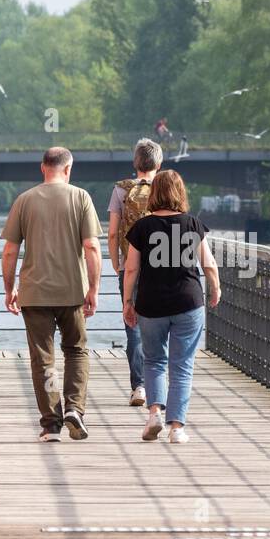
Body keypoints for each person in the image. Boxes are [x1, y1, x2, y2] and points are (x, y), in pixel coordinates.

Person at [1, 147, 102, 442]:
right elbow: (93, 248)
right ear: (68, 169)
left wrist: (9, 289)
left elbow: (9, 251)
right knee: (77, 350)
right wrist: (93, 288)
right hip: (72, 291)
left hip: (34, 293)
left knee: (43, 358)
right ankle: (74, 409)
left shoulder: (24, 200)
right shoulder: (81, 197)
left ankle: (51, 425)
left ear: (42, 168)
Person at [121, 170, 221, 444]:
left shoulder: (142, 227)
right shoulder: (193, 224)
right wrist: (216, 288)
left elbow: (131, 269)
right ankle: (176, 428)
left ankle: (154, 413)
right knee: (182, 365)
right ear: (180, 193)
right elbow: (208, 263)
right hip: (188, 302)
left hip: (151, 304)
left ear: (154, 194)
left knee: (153, 361)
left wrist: (127, 302)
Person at [107, 138, 162, 407]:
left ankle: (138, 387)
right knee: (162, 325)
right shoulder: (166, 187)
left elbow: (114, 231)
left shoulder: (120, 189)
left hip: (130, 265)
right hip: (163, 266)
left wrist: (115, 261)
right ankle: (159, 386)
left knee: (133, 327)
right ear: (159, 164)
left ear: (134, 163)